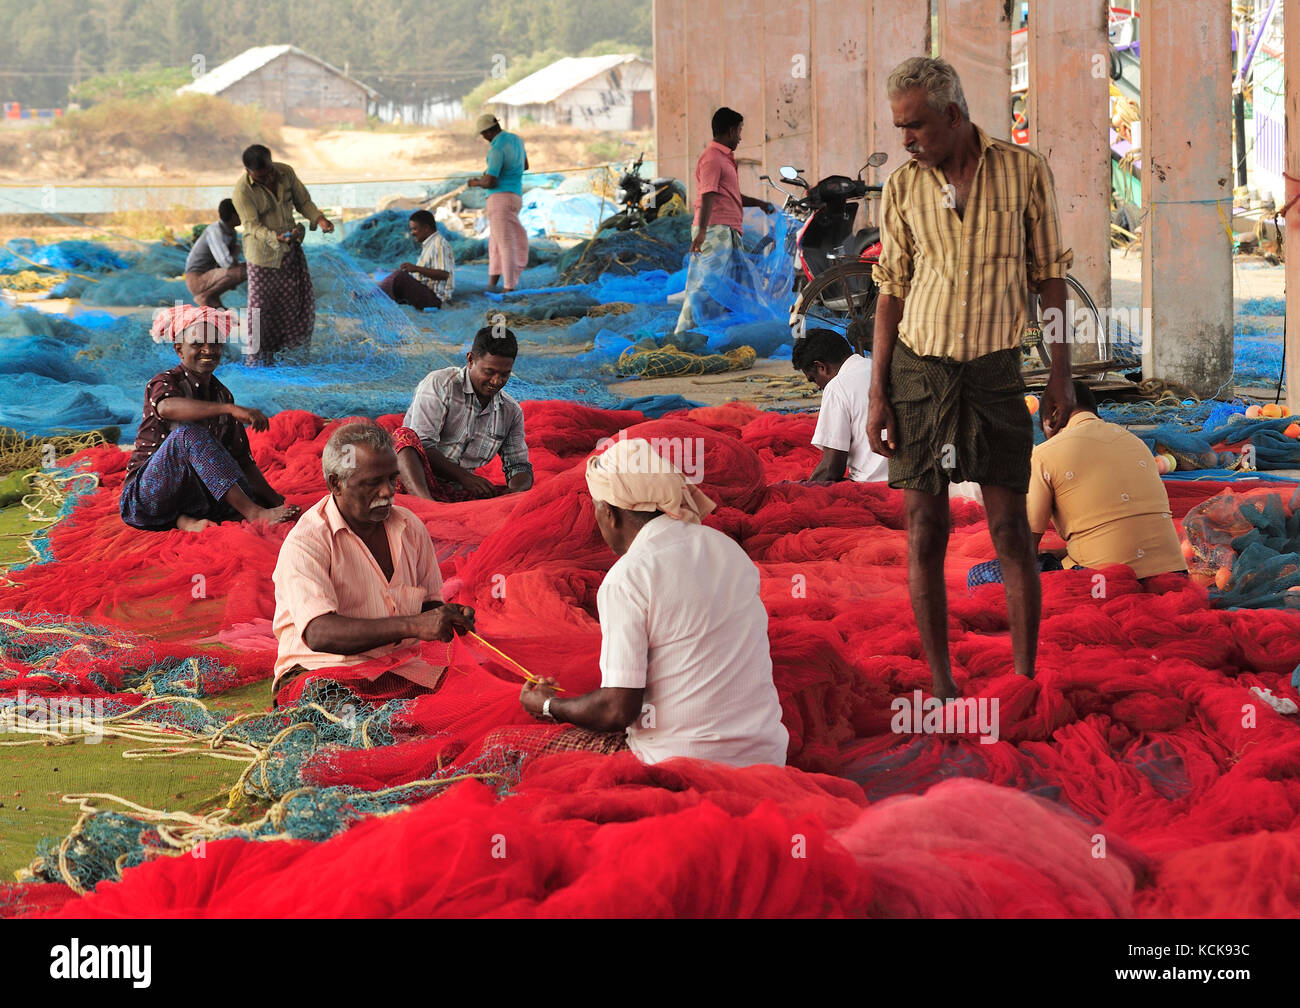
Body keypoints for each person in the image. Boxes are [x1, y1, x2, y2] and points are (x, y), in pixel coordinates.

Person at [868, 56, 1075, 699]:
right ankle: (941, 682)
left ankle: (1022, 678)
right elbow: (891, 292)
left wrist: (1060, 377)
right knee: (925, 530)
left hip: (994, 373)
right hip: (918, 371)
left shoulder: (1022, 172)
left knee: (1012, 529)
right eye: (901, 127)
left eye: (917, 126)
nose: (906, 140)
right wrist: (878, 390)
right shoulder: (902, 187)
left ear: (954, 116)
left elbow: (1050, 279)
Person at [511, 437, 789, 766]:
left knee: (506, 747)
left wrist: (546, 706)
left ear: (607, 512)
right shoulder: (728, 550)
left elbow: (617, 710)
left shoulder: (628, 576)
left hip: (676, 762)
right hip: (765, 756)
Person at [271, 422, 477, 707]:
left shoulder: (411, 528)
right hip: (320, 672)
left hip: (396, 668)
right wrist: (414, 625)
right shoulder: (307, 542)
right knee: (346, 715)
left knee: (469, 696)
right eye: (372, 483)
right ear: (336, 484)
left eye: (392, 479)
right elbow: (319, 632)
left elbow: (427, 606)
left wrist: (447, 616)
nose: (387, 492)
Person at [968, 381, 1187, 587]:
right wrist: (1062, 552)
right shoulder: (1137, 444)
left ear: (1053, 413)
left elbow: (1024, 549)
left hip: (1102, 581)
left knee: (979, 577)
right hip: (1175, 575)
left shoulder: (1044, 455)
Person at [120, 305, 298, 533]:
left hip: (192, 495)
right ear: (179, 351)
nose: (208, 350)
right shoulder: (164, 382)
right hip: (147, 497)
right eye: (197, 344)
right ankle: (251, 514)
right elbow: (166, 407)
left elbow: (242, 459)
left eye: (214, 344)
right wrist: (227, 409)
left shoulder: (221, 393)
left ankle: (182, 519)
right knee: (188, 434)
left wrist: (276, 501)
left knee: (247, 488)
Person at [393, 325, 533, 501]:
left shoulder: (510, 411)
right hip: (414, 482)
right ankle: (427, 505)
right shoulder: (441, 384)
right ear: (470, 360)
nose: (496, 381)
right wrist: (465, 477)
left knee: (503, 494)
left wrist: (515, 492)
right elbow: (424, 445)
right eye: (489, 372)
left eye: (505, 374)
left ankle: (442, 504)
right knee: (403, 436)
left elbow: (519, 466)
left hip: (457, 492)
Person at [674, 106, 774, 335]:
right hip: (714, 230)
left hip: (728, 230)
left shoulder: (724, 159)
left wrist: (760, 204)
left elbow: (730, 195)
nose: (740, 137)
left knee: (743, 283)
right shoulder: (712, 159)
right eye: (739, 131)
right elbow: (708, 193)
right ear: (730, 131)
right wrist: (702, 232)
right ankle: (683, 333)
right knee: (707, 283)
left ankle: (746, 330)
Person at [232, 144, 334, 366]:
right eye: (261, 176)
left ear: (272, 163)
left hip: (290, 251)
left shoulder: (285, 172)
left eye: (270, 172)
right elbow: (252, 226)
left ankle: (292, 356)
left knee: (297, 305)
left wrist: (319, 219)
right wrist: (274, 237)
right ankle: (258, 359)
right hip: (262, 258)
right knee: (261, 310)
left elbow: (303, 202)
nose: (268, 178)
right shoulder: (242, 191)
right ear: (249, 172)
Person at [792, 328, 889, 484]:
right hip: (910, 482)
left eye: (813, 379)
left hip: (872, 485)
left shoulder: (837, 387)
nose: (818, 387)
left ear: (821, 367)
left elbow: (832, 469)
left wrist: (802, 491)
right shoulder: (881, 368)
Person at [467, 113, 529, 293]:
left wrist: (475, 182)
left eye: (483, 134)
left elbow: (490, 182)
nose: (483, 138)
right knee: (495, 243)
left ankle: (508, 288)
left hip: (500, 198)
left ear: (488, 132)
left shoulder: (496, 148)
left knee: (506, 243)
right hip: (515, 196)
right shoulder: (516, 140)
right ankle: (492, 284)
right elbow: (525, 165)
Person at [378, 209, 454, 310]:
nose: (412, 233)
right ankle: (372, 297)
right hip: (425, 292)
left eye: (414, 229)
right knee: (398, 275)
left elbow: (444, 274)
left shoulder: (439, 244)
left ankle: (369, 298)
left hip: (435, 300)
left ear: (426, 228)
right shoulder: (429, 244)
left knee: (399, 277)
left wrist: (416, 268)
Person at [184, 199, 246, 309]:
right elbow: (226, 263)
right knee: (243, 271)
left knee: (224, 317)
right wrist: (236, 252)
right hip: (197, 278)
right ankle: (205, 296)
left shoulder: (231, 232)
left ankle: (211, 297)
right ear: (233, 216)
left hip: (211, 275)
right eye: (240, 213)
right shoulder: (215, 231)